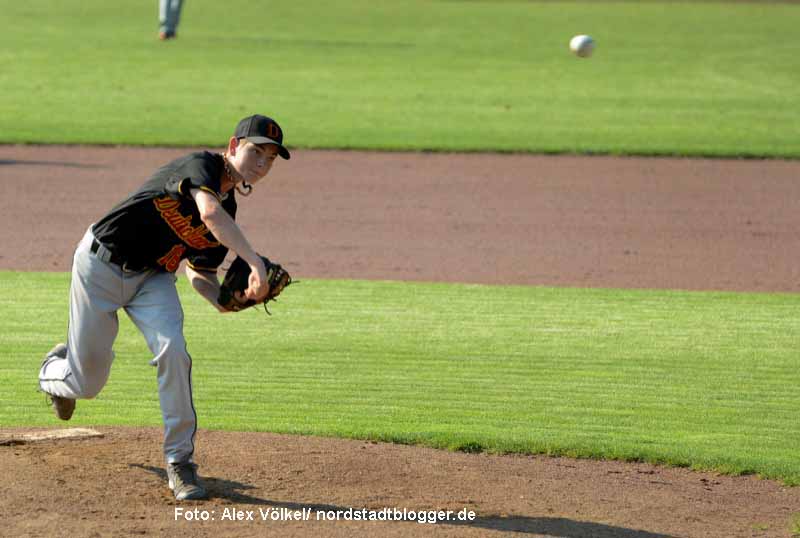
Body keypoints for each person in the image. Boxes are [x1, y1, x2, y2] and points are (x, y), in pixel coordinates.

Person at [38, 114, 291, 501]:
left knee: (173, 348)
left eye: (270, 158)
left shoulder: (230, 216)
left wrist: (226, 301)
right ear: (234, 146)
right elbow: (207, 211)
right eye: (256, 151)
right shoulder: (199, 166)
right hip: (99, 266)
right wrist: (254, 262)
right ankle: (53, 369)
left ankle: (181, 461)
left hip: (152, 279)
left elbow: (200, 273)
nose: (261, 163)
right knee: (87, 383)